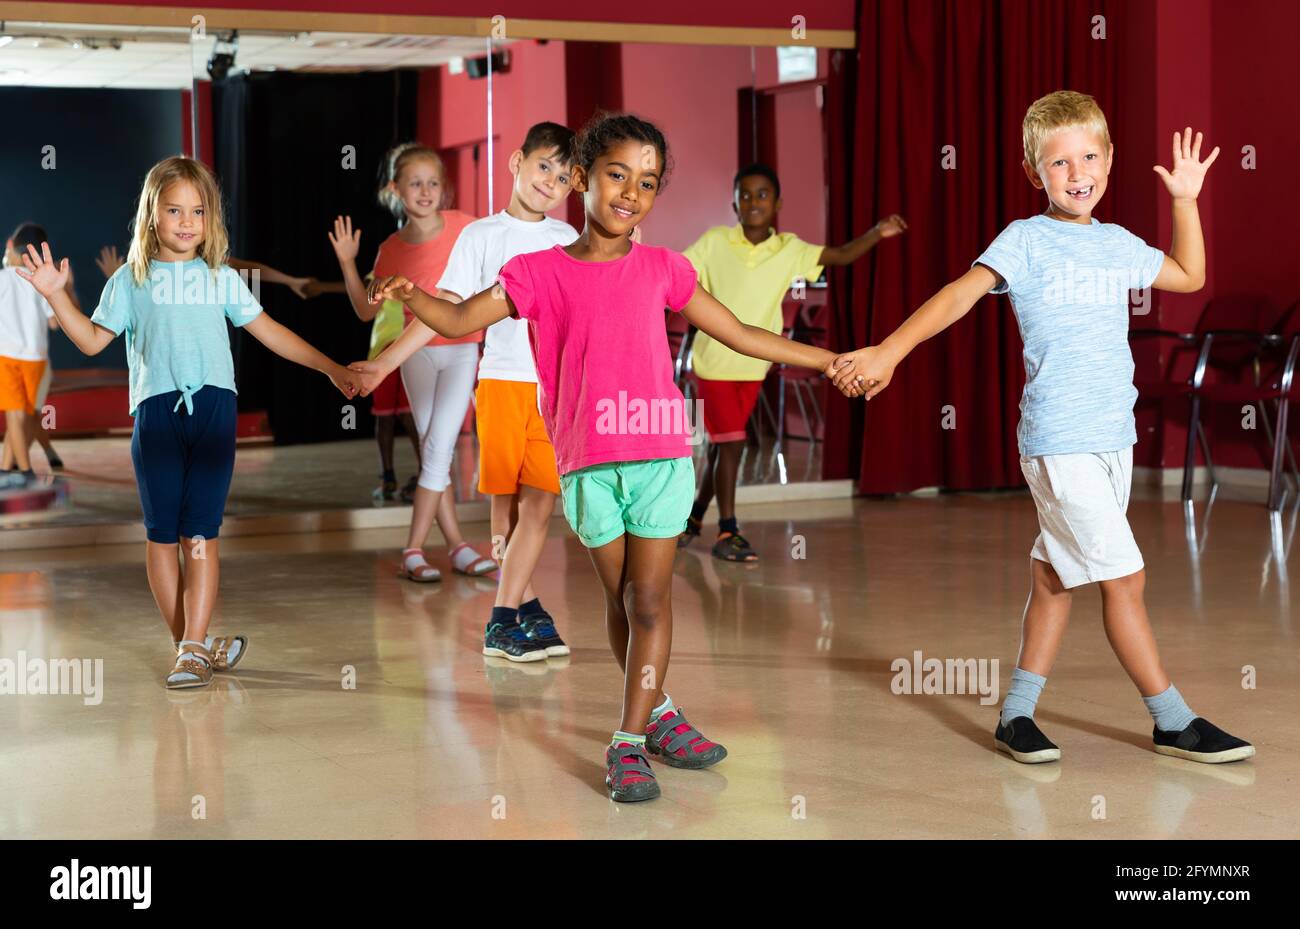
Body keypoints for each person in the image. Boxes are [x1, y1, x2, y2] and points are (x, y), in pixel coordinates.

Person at [358, 113, 858, 801]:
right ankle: (659, 715)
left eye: (647, 182)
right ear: (583, 178)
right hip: (589, 466)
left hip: (659, 457)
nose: (630, 192)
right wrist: (411, 295)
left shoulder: (664, 267)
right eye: (617, 174)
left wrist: (831, 361)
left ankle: (625, 742)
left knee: (650, 600)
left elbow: (742, 333)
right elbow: (459, 320)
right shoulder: (535, 272)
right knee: (621, 603)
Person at [831, 91, 1254, 765]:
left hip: (1113, 439)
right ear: (1036, 174)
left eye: (1089, 156)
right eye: (1059, 163)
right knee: (1125, 579)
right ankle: (1172, 720)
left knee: (1056, 577)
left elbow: (1189, 273)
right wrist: (888, 351)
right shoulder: (1026, 240)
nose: (1077, 171)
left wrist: (1184, 199)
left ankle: (1017, 714)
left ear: (1110, 160)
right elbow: (958, 294)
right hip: (1058, 441)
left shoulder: (1116, 245)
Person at [18, 156, 359, 689]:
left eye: (197, 211)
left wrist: (332, 369)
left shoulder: (221, 277)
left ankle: (193, 648)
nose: (186, 221)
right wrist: (56, 294)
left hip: (215, 413)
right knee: (161, 537)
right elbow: (89, 341)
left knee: (200, 535)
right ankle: (193, 647)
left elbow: (271, 331)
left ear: (210, 219)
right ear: (151, 215)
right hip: (155, 416)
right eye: (174, 210)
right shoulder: (129, 281)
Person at [357, 121, 579, 660]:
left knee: (541, 505)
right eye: (543, 165)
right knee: (504, 511)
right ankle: (521, 608)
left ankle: (509, 613)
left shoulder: (570, 240)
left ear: (575, 187)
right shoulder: (479, 235)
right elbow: (445, 316)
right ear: (516, 162)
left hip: (552, 391)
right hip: (503, 384)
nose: (550, 181)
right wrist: (382, 365)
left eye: (564, 175)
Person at [679, 164, 906, 561]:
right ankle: (727, 532)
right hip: (713, 363)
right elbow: (678, 271)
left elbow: (839, 256)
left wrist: (876, 233)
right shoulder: (714, 242)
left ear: (778, 203)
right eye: (745, 195)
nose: (753, 202)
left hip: (754, 365)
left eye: (762, 194)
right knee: (733, 444)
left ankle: (695, 518)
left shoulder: (790, 249)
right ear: (733, 202)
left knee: (722, 446)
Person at [329, 142, 498, 582]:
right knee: (435, 452)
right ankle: (456, 546)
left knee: (437, 450)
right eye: (415, 183)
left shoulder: (467, 227)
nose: (425, 191)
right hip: (415, 354)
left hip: (462, 349)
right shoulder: (390, 249)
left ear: (444, 190)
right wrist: (349, 263)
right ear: (396, 190)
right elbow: (366, 311)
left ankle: (416, 548)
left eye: (433, 183)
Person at [0, 222, 68, 486]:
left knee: (14, 416)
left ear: (10, 246)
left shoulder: (3, 277)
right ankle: (7, 470)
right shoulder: (39, 279)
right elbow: (54, 322)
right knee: (27, 416)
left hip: (6, 355)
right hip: (36, 357)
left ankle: (25, 473)